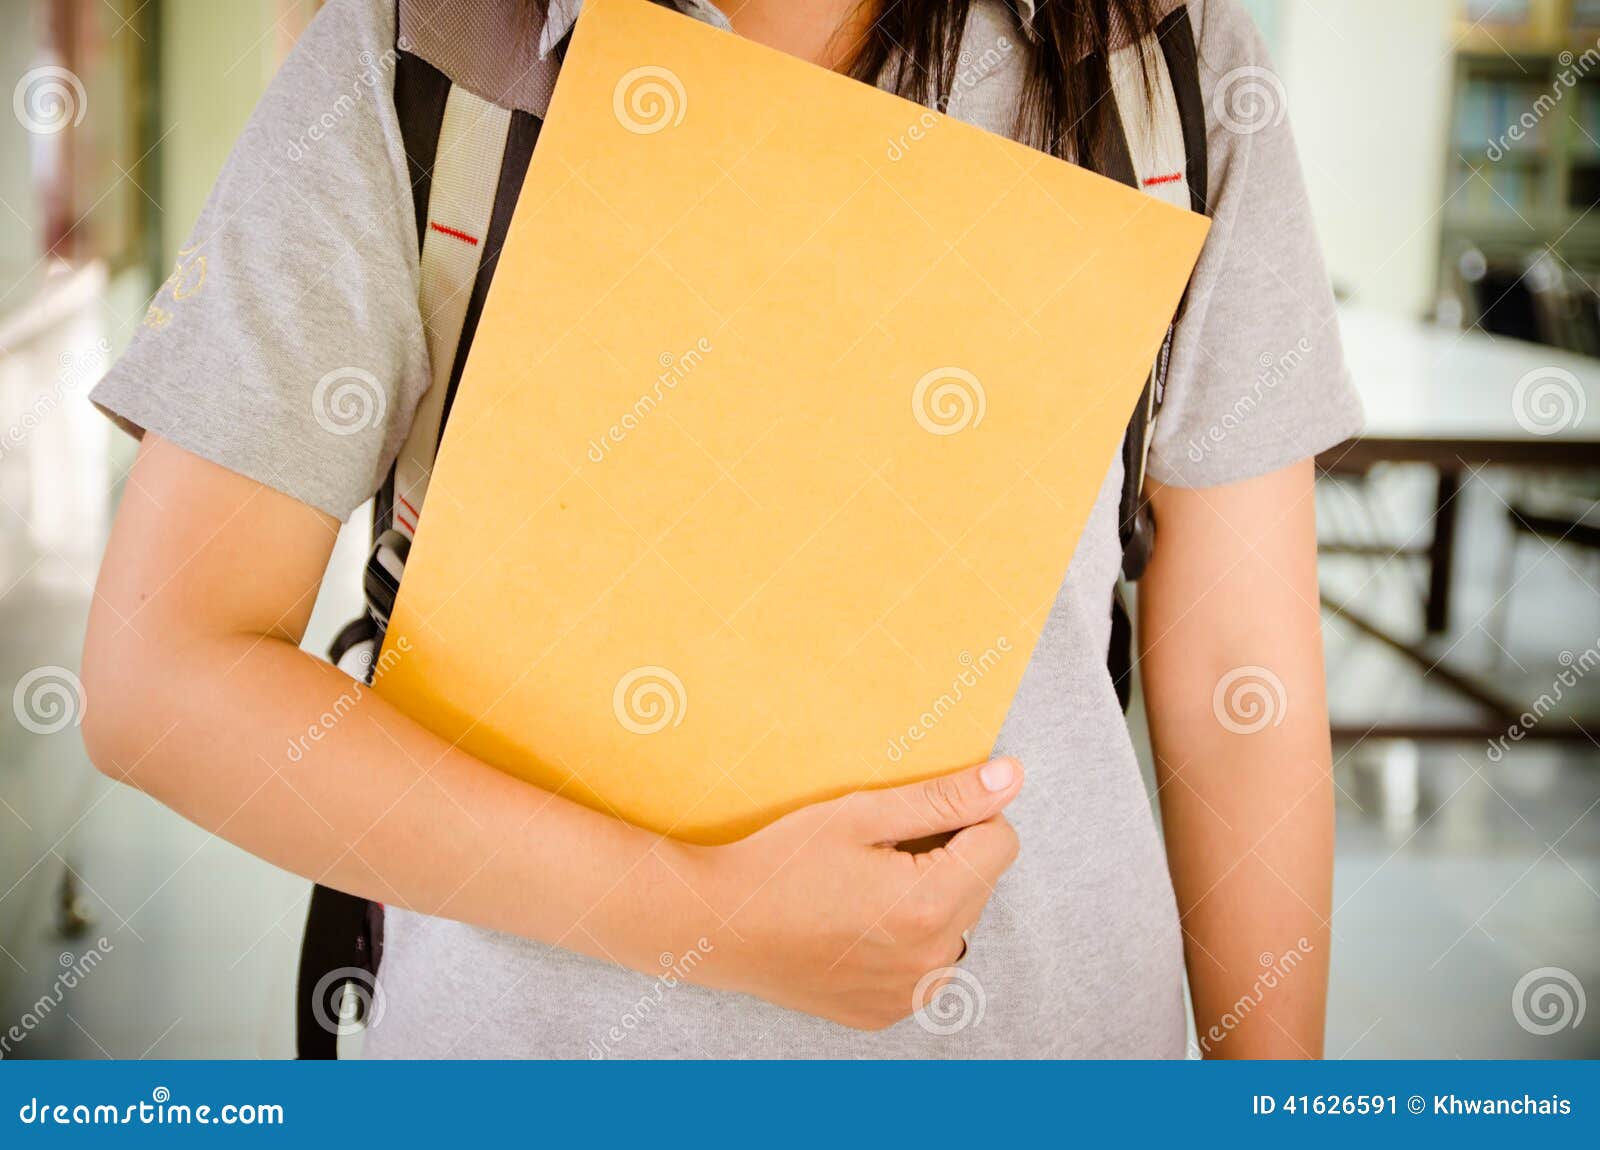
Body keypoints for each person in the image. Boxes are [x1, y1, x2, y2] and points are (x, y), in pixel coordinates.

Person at [81, 0, 1361, 1058]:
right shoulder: (426, 60)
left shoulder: (1153, 68)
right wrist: (702, 914)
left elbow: (1236, 684)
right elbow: (164, 672)